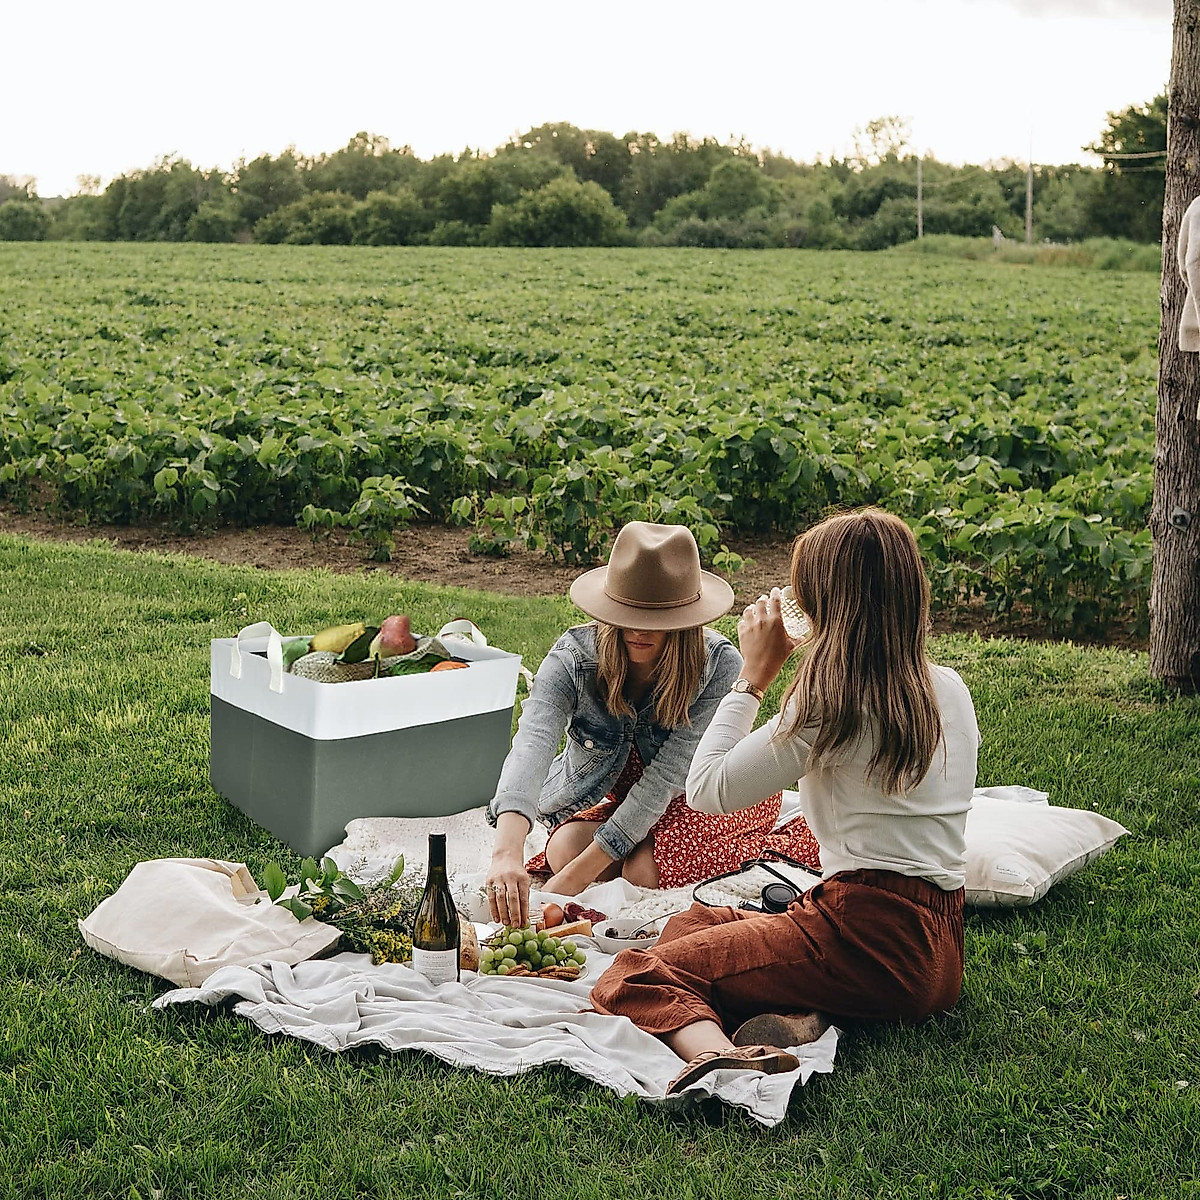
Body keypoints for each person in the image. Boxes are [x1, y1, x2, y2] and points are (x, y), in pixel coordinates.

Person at [590, 509, 980, 1096]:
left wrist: (752, 676)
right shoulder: (948, 688)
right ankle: (804, 1015)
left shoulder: (832, 704)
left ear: (828, 606)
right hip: (939, 946)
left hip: (863, 938)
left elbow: (707, 789)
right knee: (695, 923)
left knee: (637, 973)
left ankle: (723, 1058)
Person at [483, 521, 822, 929]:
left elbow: (665, 780)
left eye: (657, 618)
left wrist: (569, 883)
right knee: (563, 850)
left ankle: (770, 843)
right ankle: (639, 843)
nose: (639, 629)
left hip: (704, 793)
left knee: (641, 871)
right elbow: (532, 743)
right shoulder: (573, 660)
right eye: (628, 614)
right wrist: (506, 852)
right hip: (631, 801)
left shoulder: (717, 666)